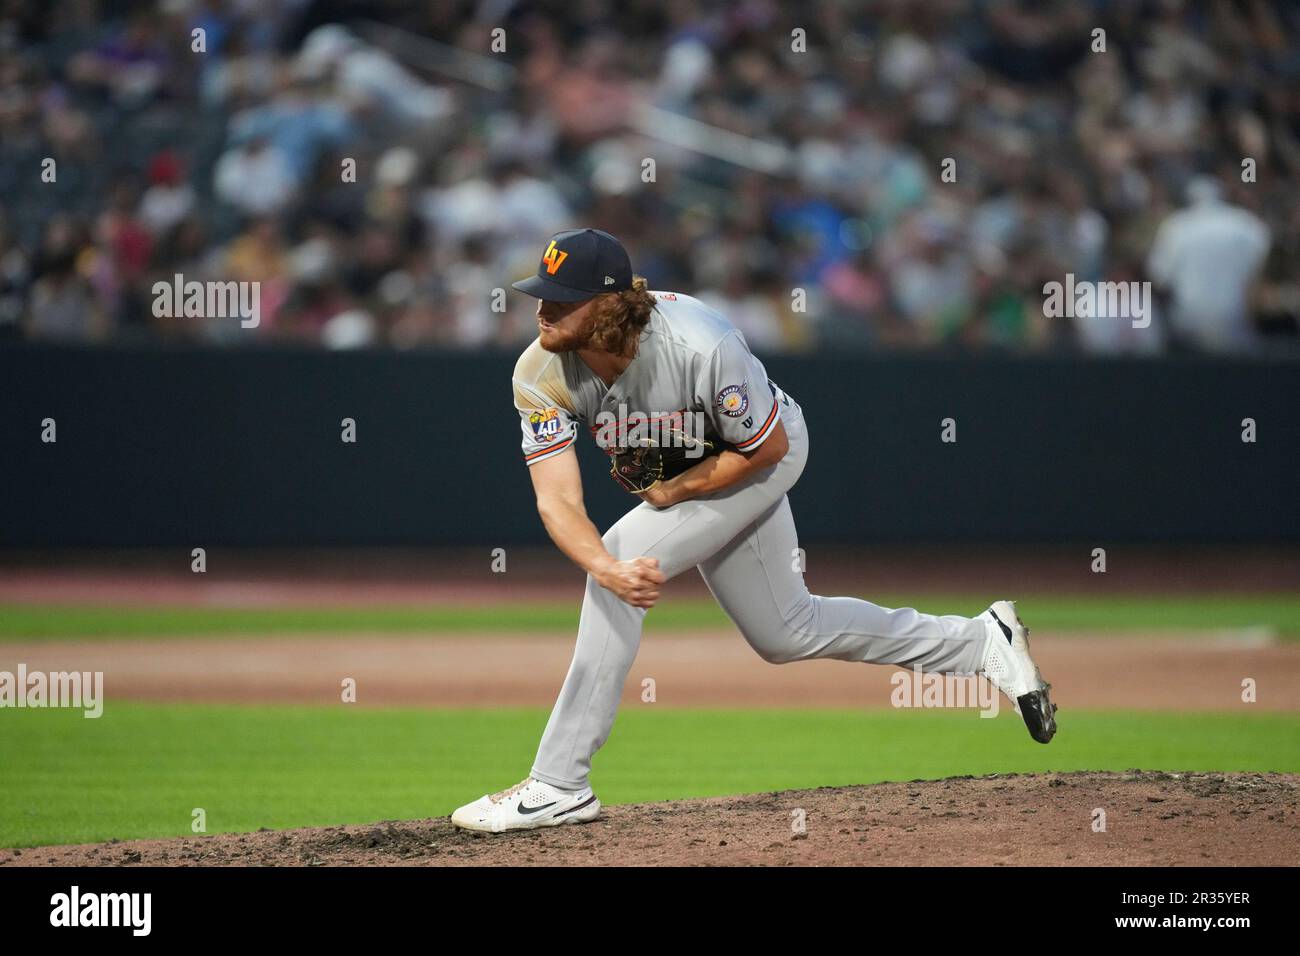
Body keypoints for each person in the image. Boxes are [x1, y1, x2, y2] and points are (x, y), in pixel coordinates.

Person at [451, 229, 1057, 834]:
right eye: (541, 293)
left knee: (624, 552)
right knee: (785, 631)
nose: (543, 308)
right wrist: (605, 567)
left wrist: (672, 497)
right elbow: (557, 499)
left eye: (562, 297)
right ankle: (981, 642)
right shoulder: (539, 372)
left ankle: (560, 784)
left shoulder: (700, 343)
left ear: (609, 306)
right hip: (705, 462)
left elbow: (767, 448)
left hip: (760, 455)